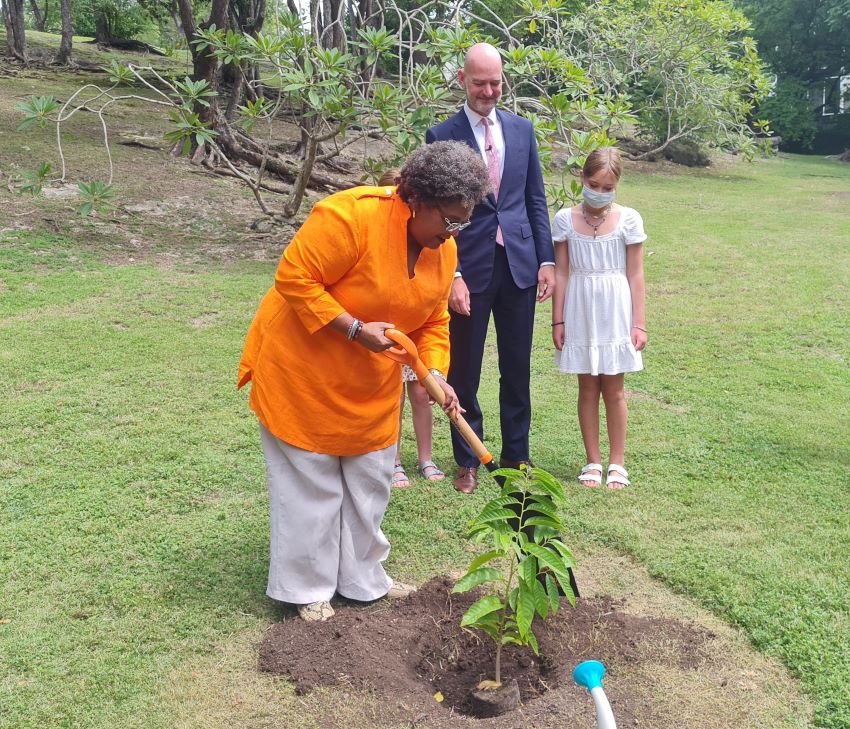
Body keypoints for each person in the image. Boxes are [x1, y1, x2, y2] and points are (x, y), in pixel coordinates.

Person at [237, 142, 489, 621]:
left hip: (370, 382)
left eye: (464, 221)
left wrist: (433, 370)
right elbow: (294, 277)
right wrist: (352, 327)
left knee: (370, 479)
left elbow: (434, 318)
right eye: (450, 220)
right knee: (311, 485)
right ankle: (307, 589)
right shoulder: (350, 217)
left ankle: (362, 579)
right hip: (304, 370)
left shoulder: (444, 248)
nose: (455, 232)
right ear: (416, 198)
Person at [426, 42, 555, 495]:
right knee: (465, 370)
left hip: (519, 264)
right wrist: (453, 275)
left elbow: (535, 200)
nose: (488, 90)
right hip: (470, 267)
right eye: (479, 82)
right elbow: (435, 213)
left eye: (495, 82)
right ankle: (468, 458)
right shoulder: (442, 134)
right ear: (462, 80)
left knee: (517, 368)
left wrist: (546, 260)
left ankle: (517, 458)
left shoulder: (522, 131)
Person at [550, 147, 647, 489]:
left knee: (615, 388)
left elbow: (636, 275)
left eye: (608, 188)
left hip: (616, 308)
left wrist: (639, 323)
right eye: (595, 184)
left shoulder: (629, 219)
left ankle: (617, 461)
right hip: (579, 307)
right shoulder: (564, 219)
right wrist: (557, 320)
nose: (600, 192)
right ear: (582, 178)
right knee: (587, 386)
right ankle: (592, 459)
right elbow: (561, 272)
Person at [375, 168, 447, 489]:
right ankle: (393, 461)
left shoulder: (434, 245)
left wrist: (435, 371)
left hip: (417, 335)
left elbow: (435, 314)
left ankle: (426, 458)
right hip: (388, 336)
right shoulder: (377, 238)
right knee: (394, 398)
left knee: (421, 393)